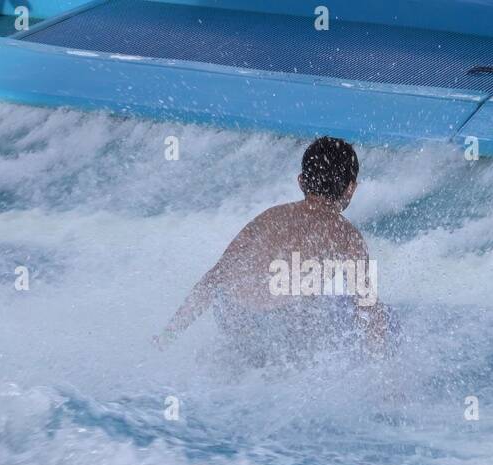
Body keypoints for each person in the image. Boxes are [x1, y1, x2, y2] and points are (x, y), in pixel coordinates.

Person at [154, 136, 389, 366]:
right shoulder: (347, 235)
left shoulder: (269, 217)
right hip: (281, 324)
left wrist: (167, 336)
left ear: (301, 181)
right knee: (336, 308)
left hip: (233, 312)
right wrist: (383, 376)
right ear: (350, 189)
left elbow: (215, 277)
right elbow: (367, 306)